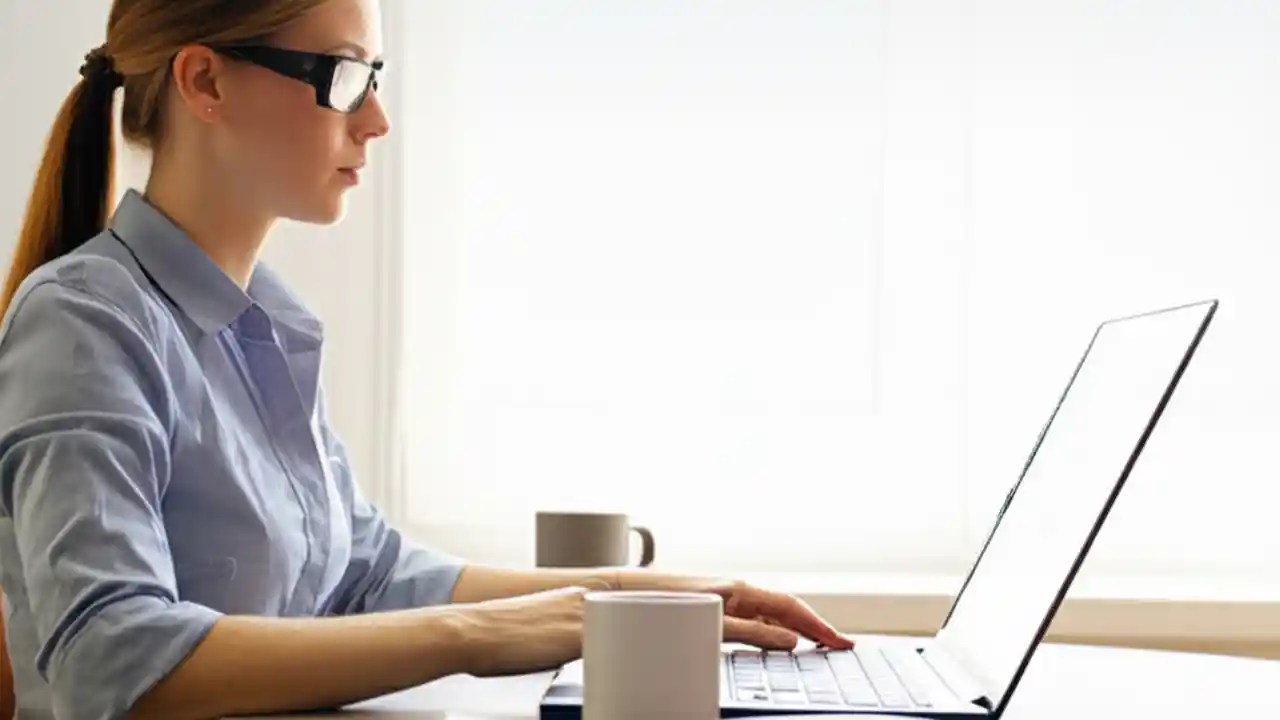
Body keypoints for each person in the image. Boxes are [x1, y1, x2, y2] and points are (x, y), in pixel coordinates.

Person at [0, 1, 854, 718]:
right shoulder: (83, 322)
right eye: (340, 75)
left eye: (374, 79)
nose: (375, 120)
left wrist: (647, 597)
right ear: (205, 81)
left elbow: (367, 576)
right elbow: (110, 654)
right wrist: (494, 636)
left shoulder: (269, 329)